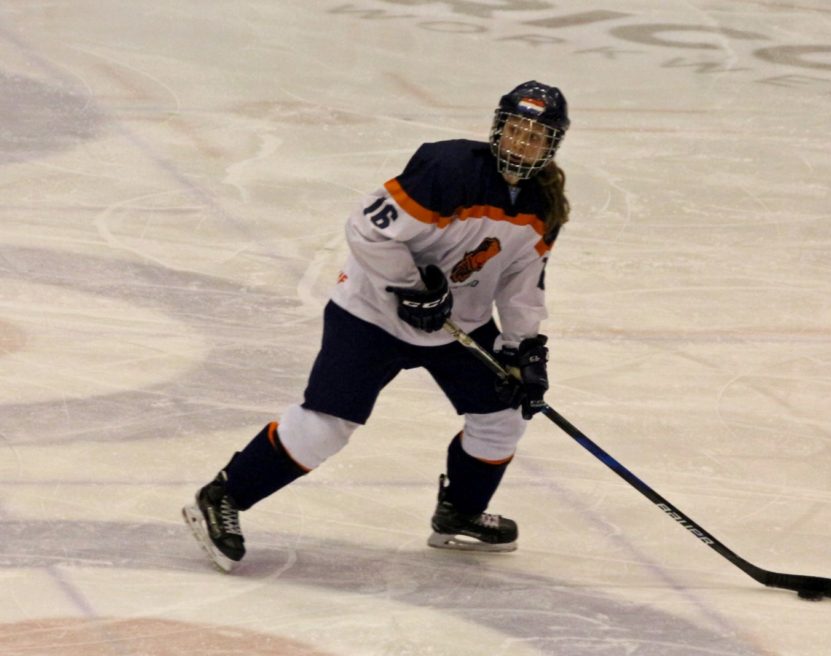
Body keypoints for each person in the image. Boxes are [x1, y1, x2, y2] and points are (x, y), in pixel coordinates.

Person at [183, 81, 571, 572]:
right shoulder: (448, 169)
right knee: (326, 426)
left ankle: (460, 513)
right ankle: (223, 495)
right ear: (498, 128)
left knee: (504, 415)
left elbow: (521, 284)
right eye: (515, 129)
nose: (521, 143)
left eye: (535, 136)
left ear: (551, 146)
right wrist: (410, 286)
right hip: (372, 312)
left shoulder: (543, 207)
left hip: (458, 325)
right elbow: (367, 229)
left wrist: (523, 348)